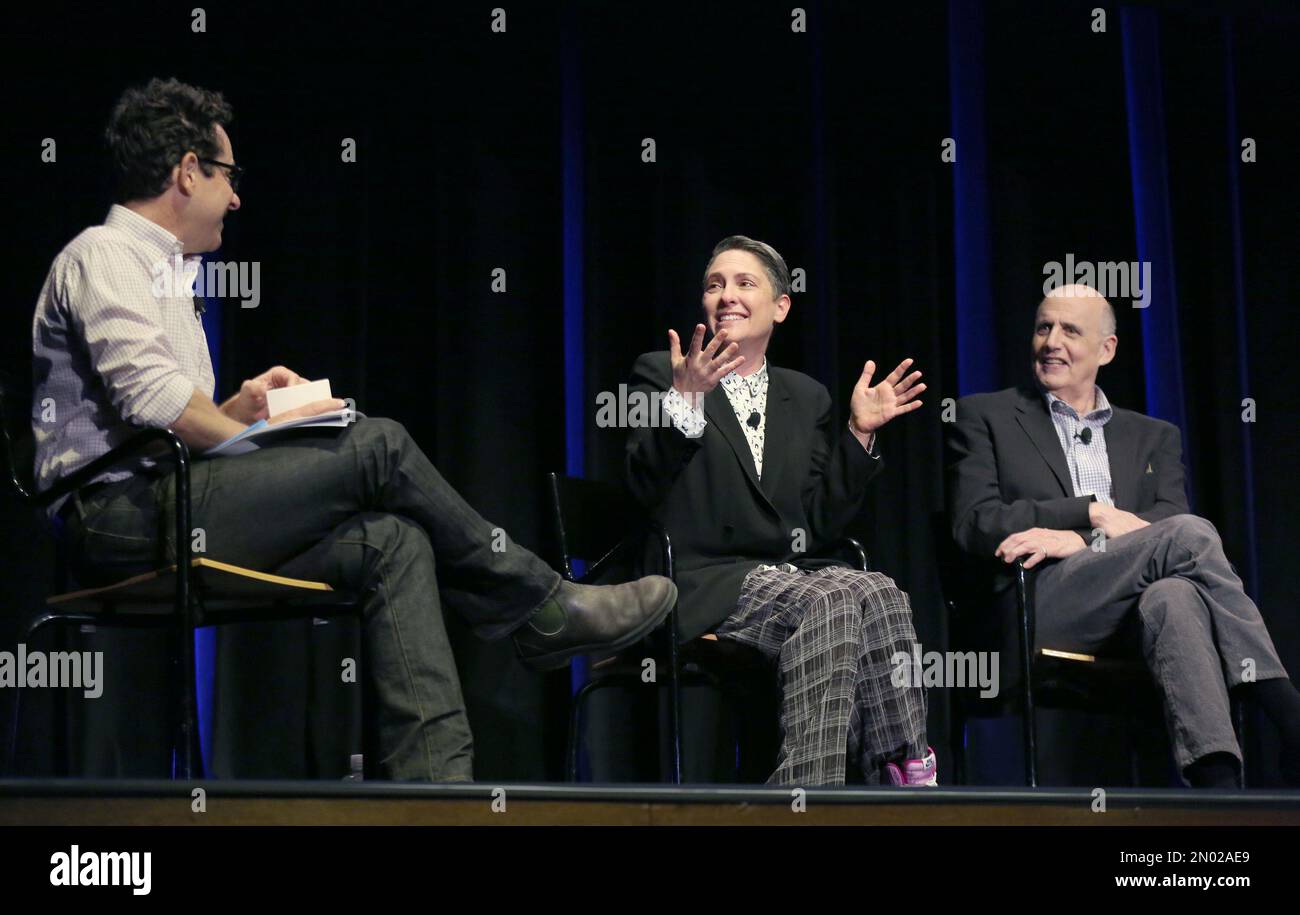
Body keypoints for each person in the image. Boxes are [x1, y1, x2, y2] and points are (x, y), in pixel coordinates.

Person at [30, 77, 677, 781]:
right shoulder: (104, 257)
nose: (237, 197)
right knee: (380, 443)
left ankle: (436, 781)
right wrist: (233, 427)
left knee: (392, 542)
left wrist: (249, 412)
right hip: (119, 521)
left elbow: (185, 414)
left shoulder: (167, 274)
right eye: (229, 176)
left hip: (177, 499)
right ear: (189, 172)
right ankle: (542, 605)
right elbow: (167, 410)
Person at [945, 283, 1300, 787]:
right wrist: (1088, 512)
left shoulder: (1154, 435)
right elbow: (974, 523)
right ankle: (1283, 708)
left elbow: (1166, 525)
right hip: (1039, 607)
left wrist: (1085, 542)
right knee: (1192, 535)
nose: (1051, 341)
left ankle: (1218, 787)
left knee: (1175, 595)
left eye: (1070, 330)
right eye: (1044, 327)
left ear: (1106, 349)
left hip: (1132, 612)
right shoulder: (984, 415)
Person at [623, 235, 934, 786]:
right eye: (715, 285)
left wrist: (859, 435)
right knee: (836, 595)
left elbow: (818, 526)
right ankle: (807, 787)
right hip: (699, 582)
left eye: (745, 283)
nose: (727, 296)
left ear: (781, 306)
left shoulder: (806, 397)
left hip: (786, 580)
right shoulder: (661, 373)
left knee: (881, 590)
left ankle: (904, 772)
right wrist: (687, 400)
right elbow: (641, 487)